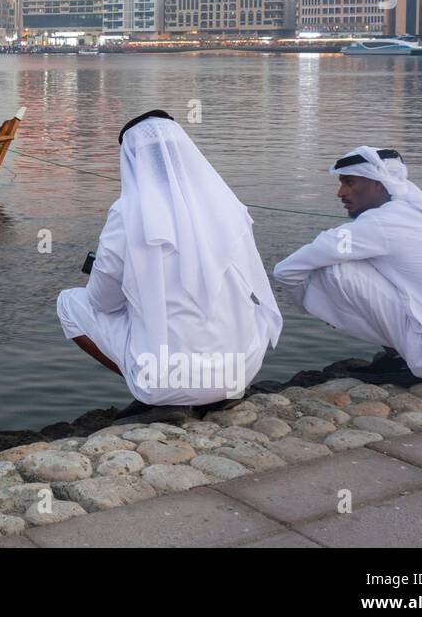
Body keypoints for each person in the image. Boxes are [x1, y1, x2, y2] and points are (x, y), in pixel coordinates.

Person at [55, 110, 283, 411]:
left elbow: (102, 301)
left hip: (165, 383)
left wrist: (136, 285)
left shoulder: (128, 212)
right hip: (237, 374)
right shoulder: (226, 204)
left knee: (69, 303)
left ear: (132, 160)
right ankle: (209, 390)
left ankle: (158, 391)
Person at [273, 147, 422, 383]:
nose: (340, 193)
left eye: (349, 182)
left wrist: (315, 306)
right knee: (363, 262)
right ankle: (399, 353)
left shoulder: (380, 223)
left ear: (378, 183)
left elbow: (286, 270)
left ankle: (407, 355)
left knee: (332, 269)